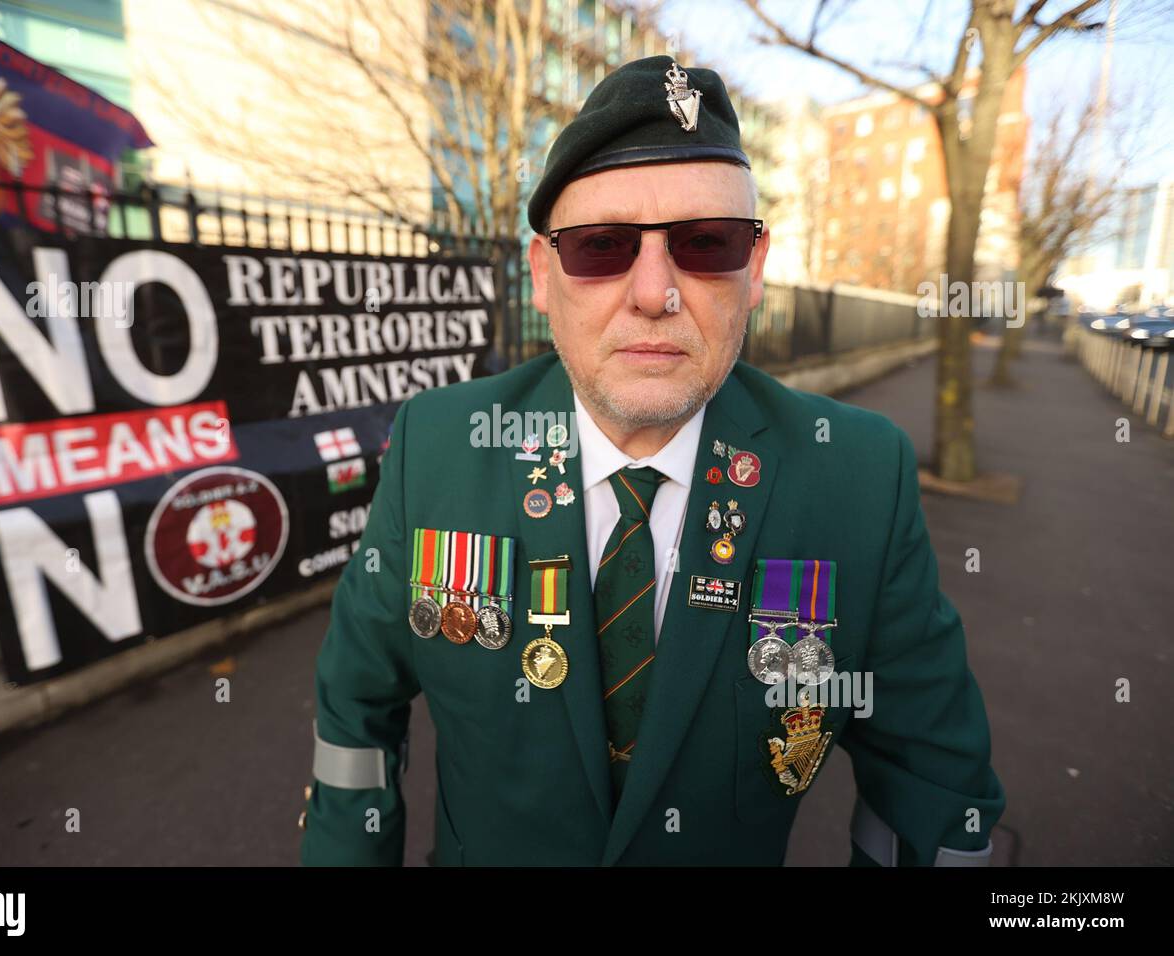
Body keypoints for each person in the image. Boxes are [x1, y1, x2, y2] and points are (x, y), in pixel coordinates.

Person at [299, 55, 1004, 866]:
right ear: (542, 276)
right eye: (602, 246)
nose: (654, 292)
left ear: (756, 272)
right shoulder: (439, 446)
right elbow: (357, 708)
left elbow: (934, 786)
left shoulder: (855, 477)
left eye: (707, 243)